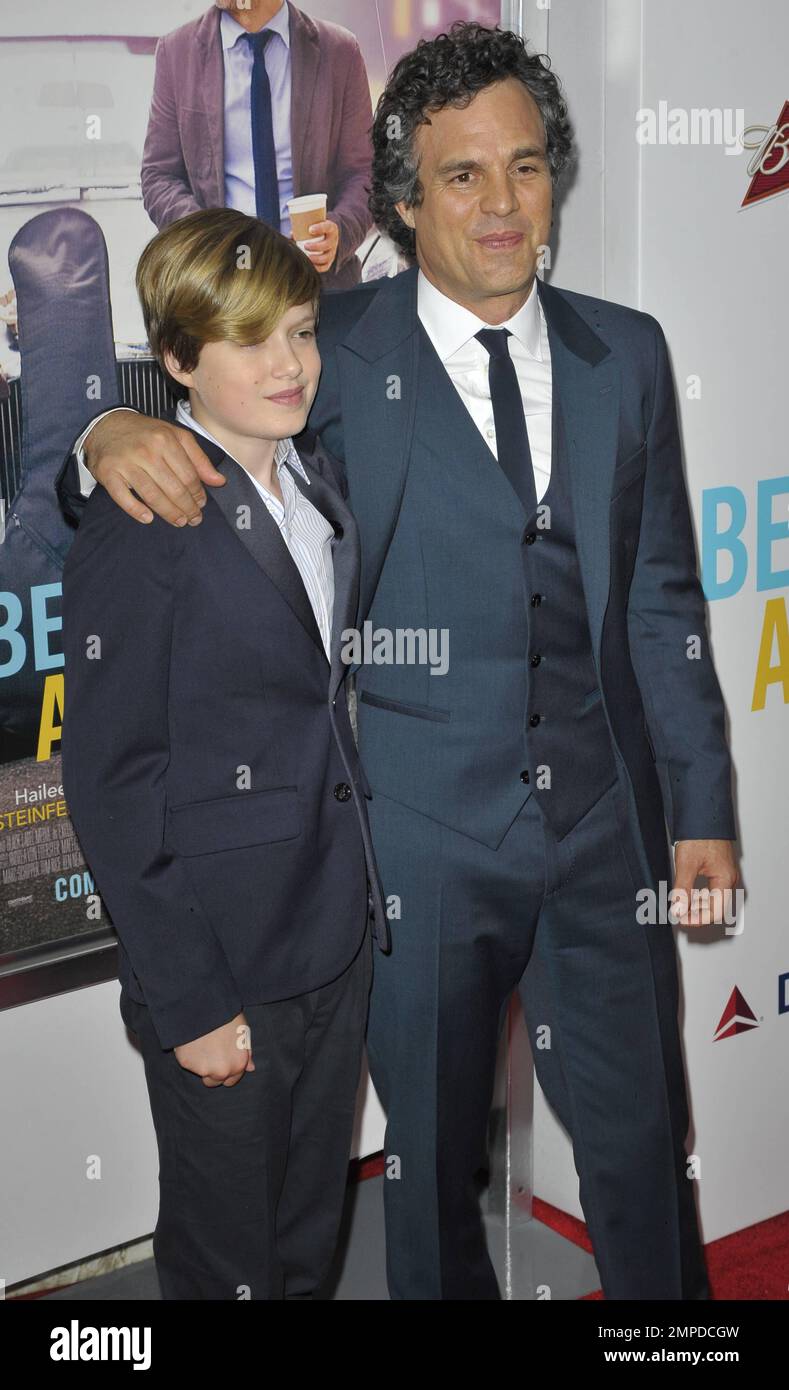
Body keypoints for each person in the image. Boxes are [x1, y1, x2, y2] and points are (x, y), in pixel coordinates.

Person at [57, 23, 740, 1301]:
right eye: (464, 176)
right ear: (406, 198)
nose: (501, 205)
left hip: (605, 833)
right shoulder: (327, 348)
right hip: (413, 845)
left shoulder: (626, 351)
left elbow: (661, 598)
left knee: (644, 1151)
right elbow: (205, 404)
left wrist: (699, 803)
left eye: (527, 168)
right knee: (428, 1182)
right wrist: (100, 430)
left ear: (557, 181)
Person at [60, 206, 389, 1301]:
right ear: (176, 361)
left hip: (330, 935)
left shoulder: (316, 485)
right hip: (223, 960)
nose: (291, 364)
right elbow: (112, 782)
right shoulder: (145, 513)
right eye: (252, 341)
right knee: (224, 1264)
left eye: (300, 330)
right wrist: (193, 1001)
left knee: (305, 1241)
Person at [140, 0, 374, 290]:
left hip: (318, 287)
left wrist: (340, 230)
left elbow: (365, 173)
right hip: (221, 287)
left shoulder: (339, 50)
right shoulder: (177, 52)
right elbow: (158, 176)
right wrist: (206, 238)